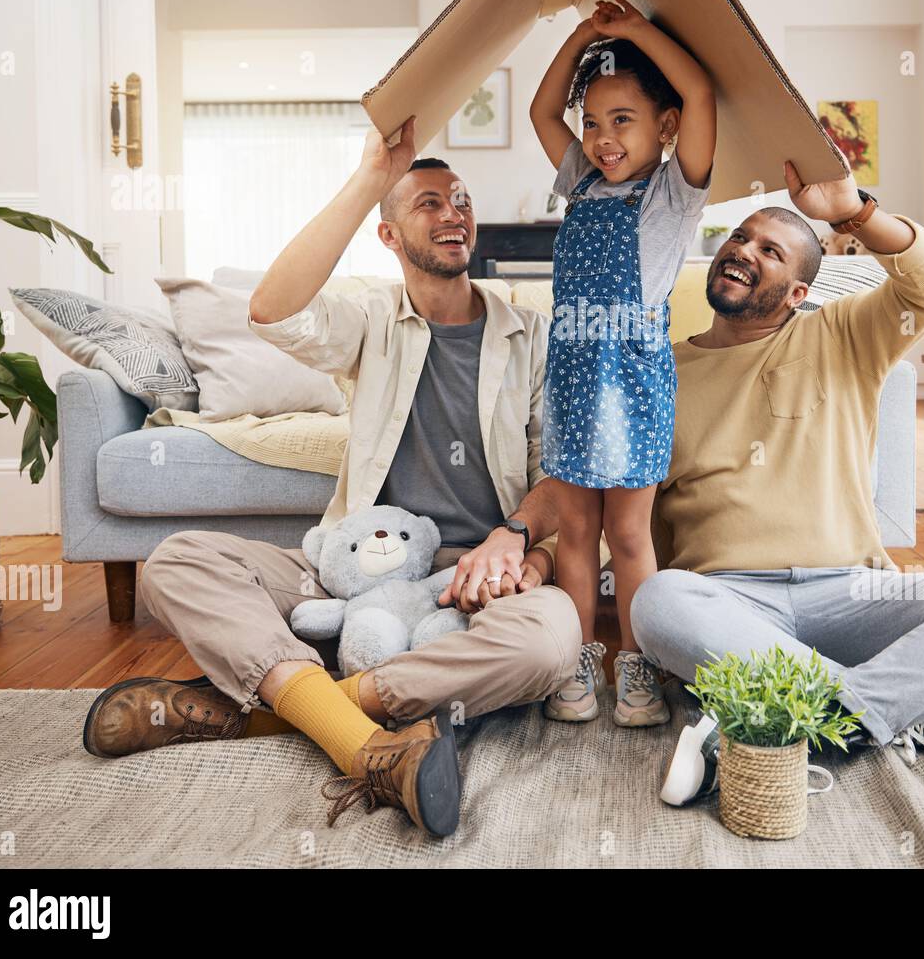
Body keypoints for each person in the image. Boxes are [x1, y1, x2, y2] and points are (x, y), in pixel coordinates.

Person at [81, 119, 582, 838]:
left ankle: (275, 709)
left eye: (462, 200)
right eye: (429, 203)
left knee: (552, 640)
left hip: (469, 581)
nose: (454, 214)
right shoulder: (370, 316)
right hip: (355, 570)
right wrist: (370, 178)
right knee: (176, 561)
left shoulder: (529, 336)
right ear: (389, 235)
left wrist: (522, 546)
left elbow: (559, 478)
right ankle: (367, 743)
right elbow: (271, 310)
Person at [632, 164, 924, 803]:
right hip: (732, 605)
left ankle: (768, 724)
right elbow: (637, 522)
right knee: (659, 602)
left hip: (857, 591)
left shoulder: (843, 335)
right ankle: (920, 712)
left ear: (799, 292)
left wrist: (852, 210)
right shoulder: (659, 370)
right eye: (739, 238)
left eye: (770, 251)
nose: (744, 251)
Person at [529, 0, 716, 727]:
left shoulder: (673, 196)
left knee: (630, 535)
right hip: (574, 383)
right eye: (595, 122)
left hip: (634, 387)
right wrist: (582, 35)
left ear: (665, 127)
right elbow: (545, 113)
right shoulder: (579, 180)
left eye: (623, 120)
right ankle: (578, 659)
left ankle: (636, 664)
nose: (603, 139)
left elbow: (698, 90)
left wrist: (635, 30)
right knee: (574, 533)